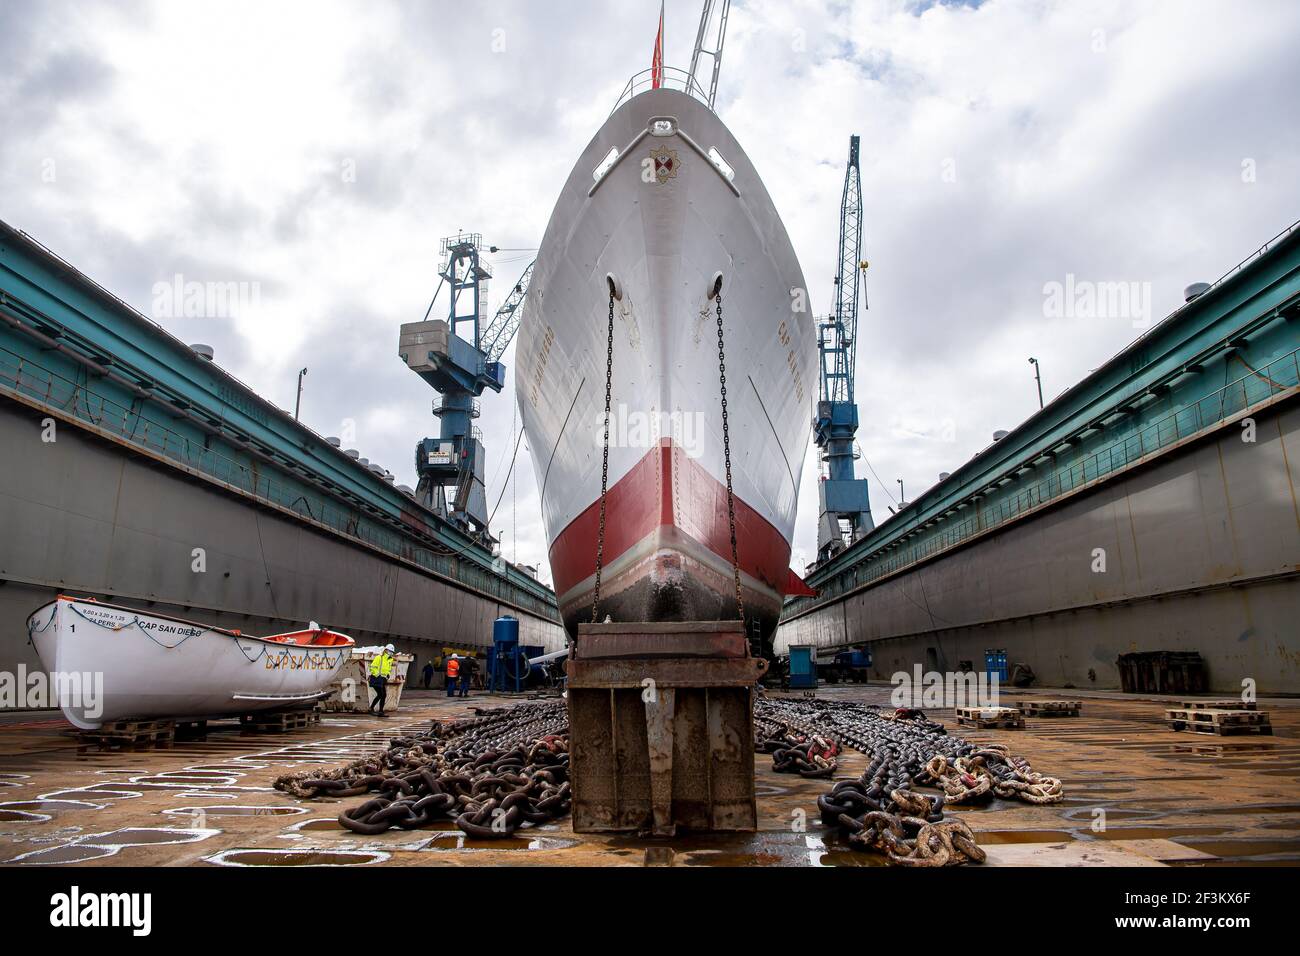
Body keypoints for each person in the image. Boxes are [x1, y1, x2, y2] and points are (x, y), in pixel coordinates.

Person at [368, 644, 397, 717]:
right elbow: (372, 667)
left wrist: (387, 676)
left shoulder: (390, 659)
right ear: (386, 650)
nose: (391, 653)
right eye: (390, 651)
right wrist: (378, 676)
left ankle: (380, 711)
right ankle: (372, 709)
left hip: (383, 679)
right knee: (381, 694)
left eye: (392, 652)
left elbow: (388, 669)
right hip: (376, 678)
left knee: (383, 695)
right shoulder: (379, 657)